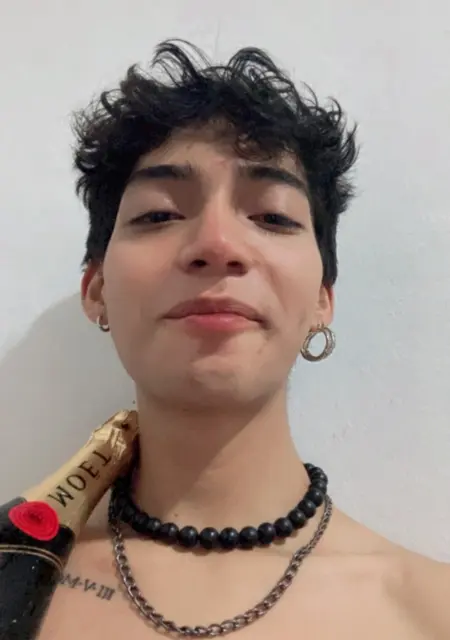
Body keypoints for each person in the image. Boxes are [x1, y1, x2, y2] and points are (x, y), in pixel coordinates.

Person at [39, 39, 450, 639]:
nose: (217, 245)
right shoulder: (17, 579)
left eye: (273, 216)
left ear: (322, 299)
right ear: (97, 288)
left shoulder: (431, 612)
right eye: (159, 214)